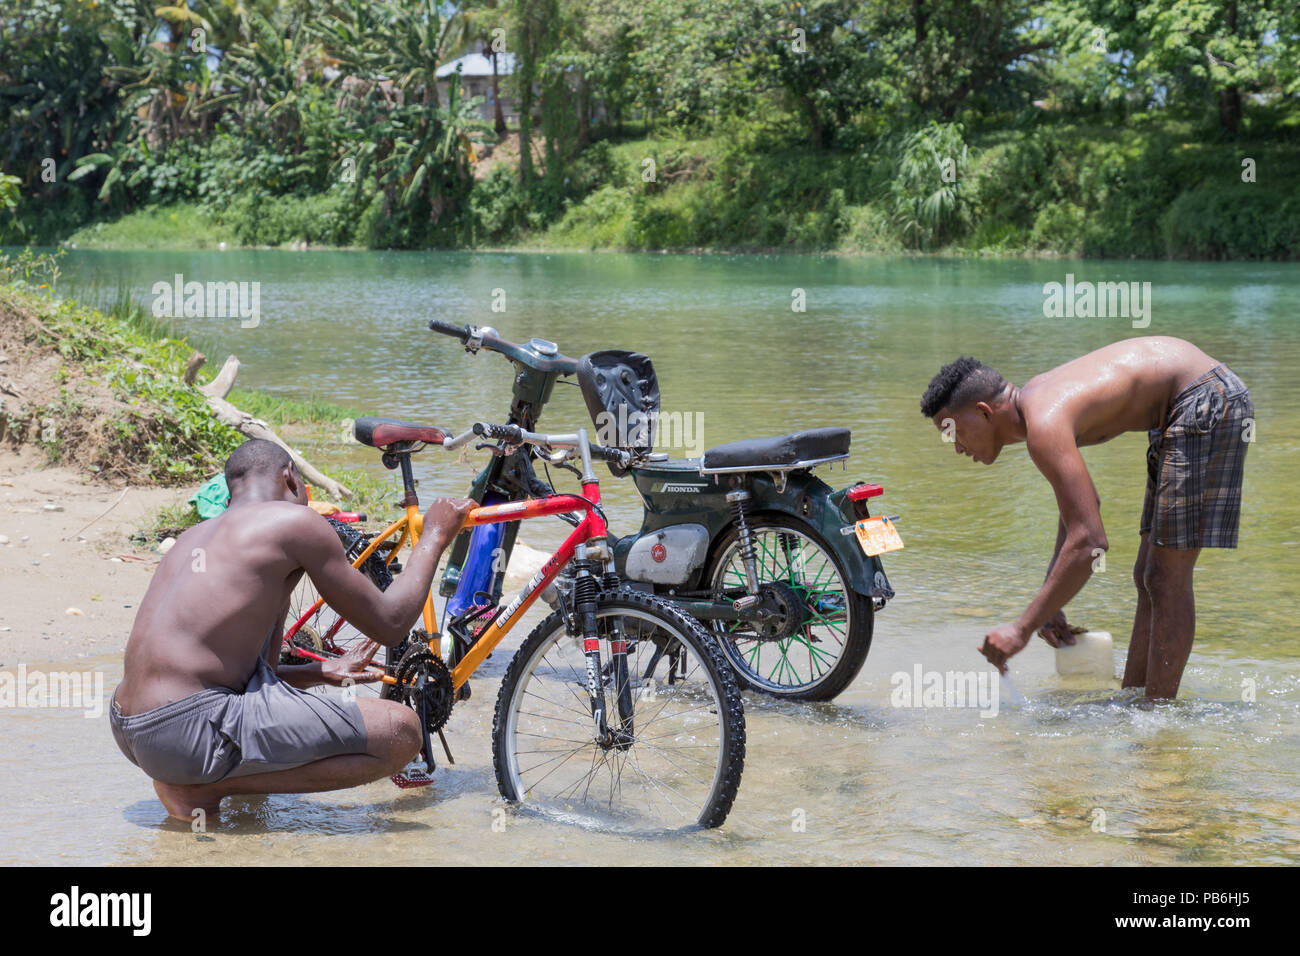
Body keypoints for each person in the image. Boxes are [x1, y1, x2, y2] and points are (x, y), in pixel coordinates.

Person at [110, 438, 473, 819]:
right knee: (402, 732)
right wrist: (435, 533)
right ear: (292, 479)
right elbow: (392, 624)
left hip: (129, 723)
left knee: (379, 727)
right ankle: (203, 784)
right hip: (185, 729)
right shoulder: (295, 523)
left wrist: (318, 672)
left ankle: (194, 771)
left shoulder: (192, 538)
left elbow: (228, 674)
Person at [920, 337, 1251, 699]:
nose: (956, 446)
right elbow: (1079, 509)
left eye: (952, 430)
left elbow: (1091, 541)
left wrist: (1021, 628)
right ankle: (1137, 701)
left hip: (1203, 397)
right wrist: (1051, 602)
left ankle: (1158, 718)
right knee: (1149, 576)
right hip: (1182, 404)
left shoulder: (1043, 421)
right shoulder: (1038, 410)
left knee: (1166, 576)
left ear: (984, 411)